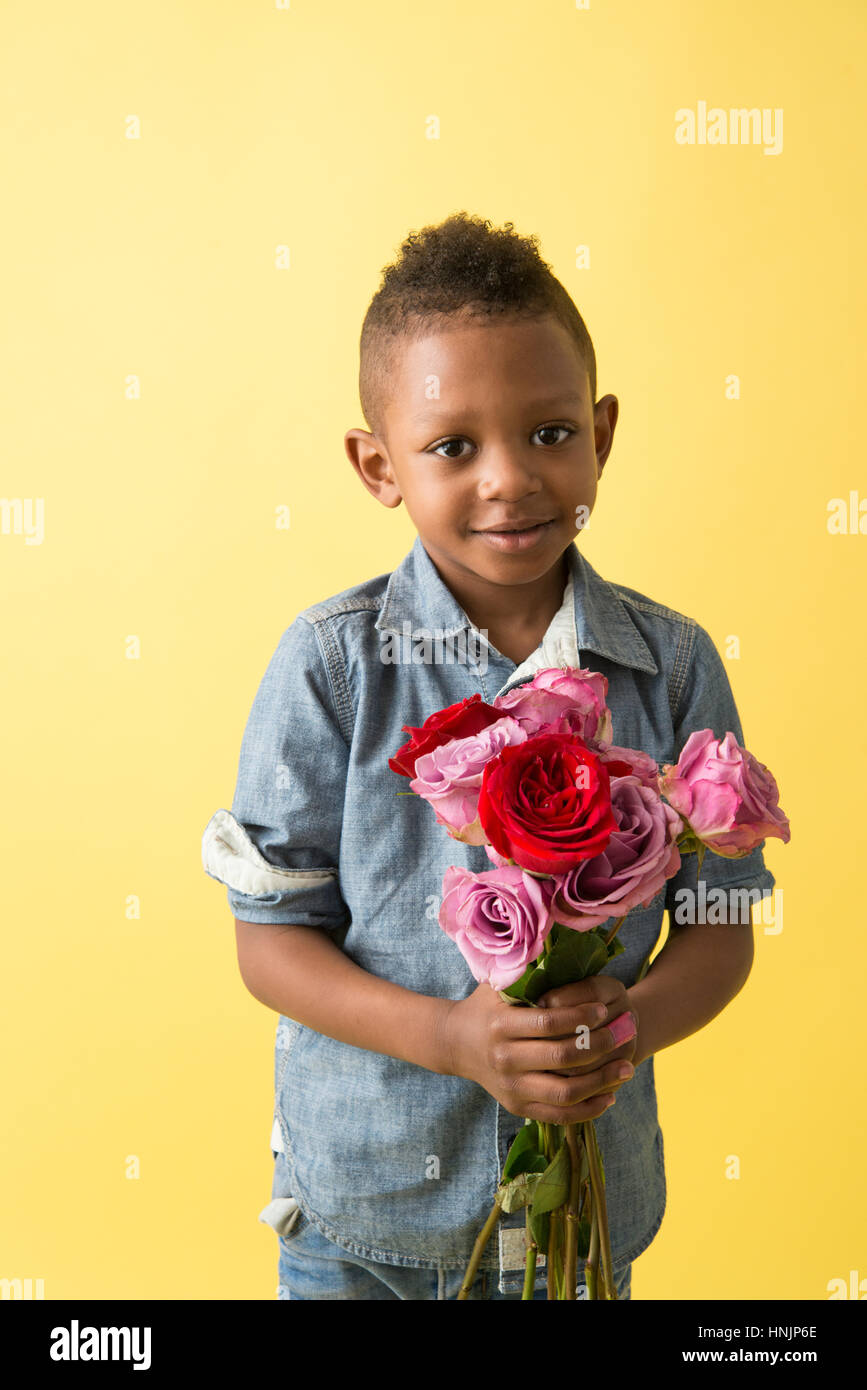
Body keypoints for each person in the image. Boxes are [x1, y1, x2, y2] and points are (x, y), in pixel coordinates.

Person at [201, 212, 776, 1300]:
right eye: (453, 447)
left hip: (584, 1219)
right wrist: (455, 1037)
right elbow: (270, 944)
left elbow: (724, 922)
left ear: (602, 433)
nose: (510, 478)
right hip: (360, 1220)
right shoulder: (332, 666)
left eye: (550, 433)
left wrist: (614, 1029)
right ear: (379, 466)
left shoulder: (673, 664)